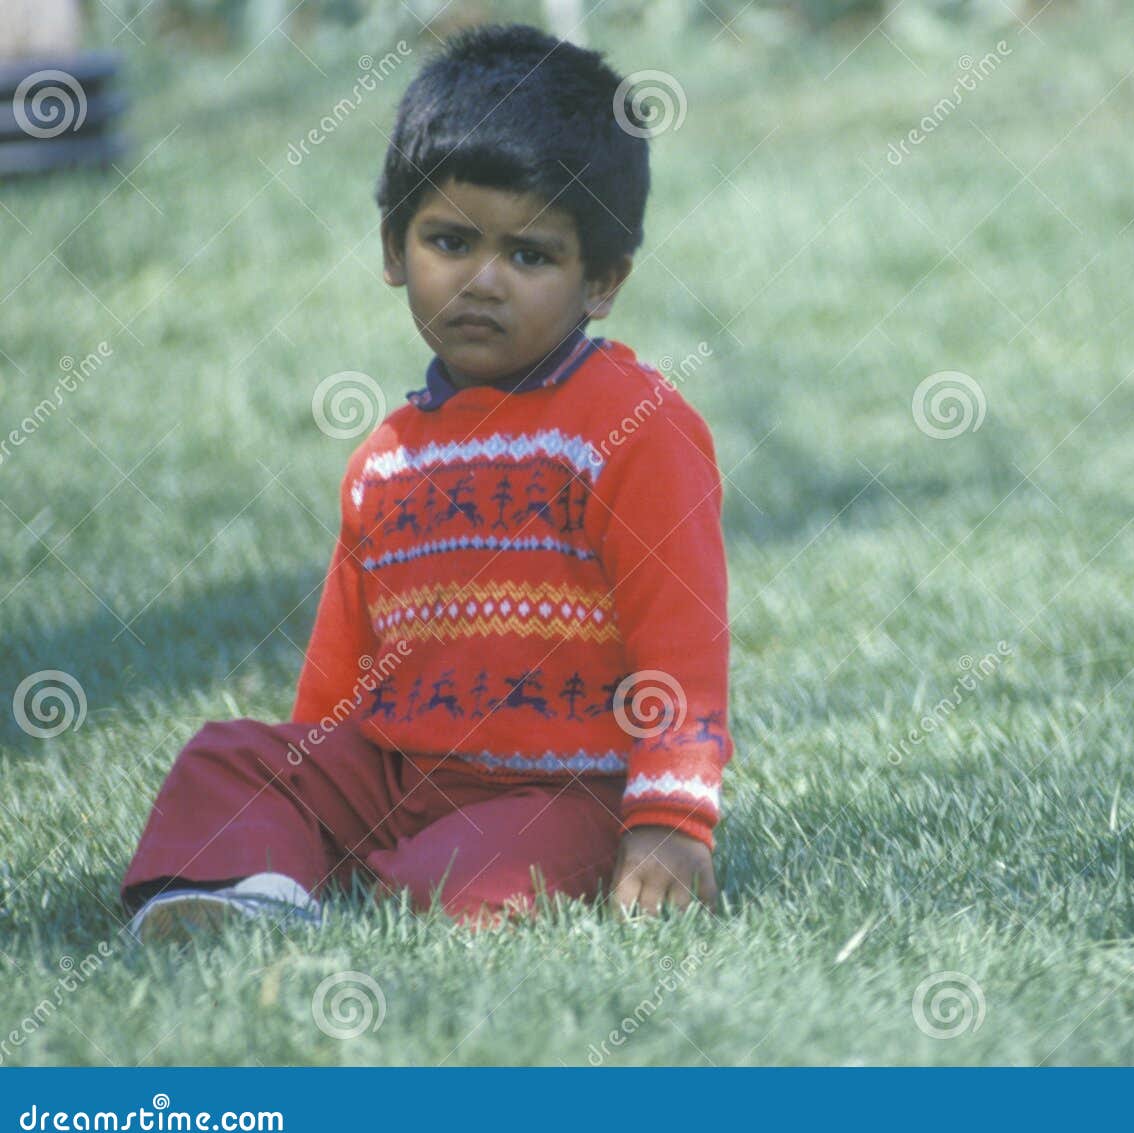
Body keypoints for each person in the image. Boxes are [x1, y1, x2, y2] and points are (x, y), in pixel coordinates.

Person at [120, 23, 732, 941]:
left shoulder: (631, 427)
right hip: (398, 773)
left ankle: (328, 891)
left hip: (562, 791)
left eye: (531, 255)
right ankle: (233, 894)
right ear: (395, 250)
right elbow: (341, 662)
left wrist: (670, 818)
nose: (483, 280)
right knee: (231, 757)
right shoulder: (389, 456)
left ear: (600, 281)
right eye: (450, 239)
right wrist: (304, 781)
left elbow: (683, 640)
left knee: (455, 882)